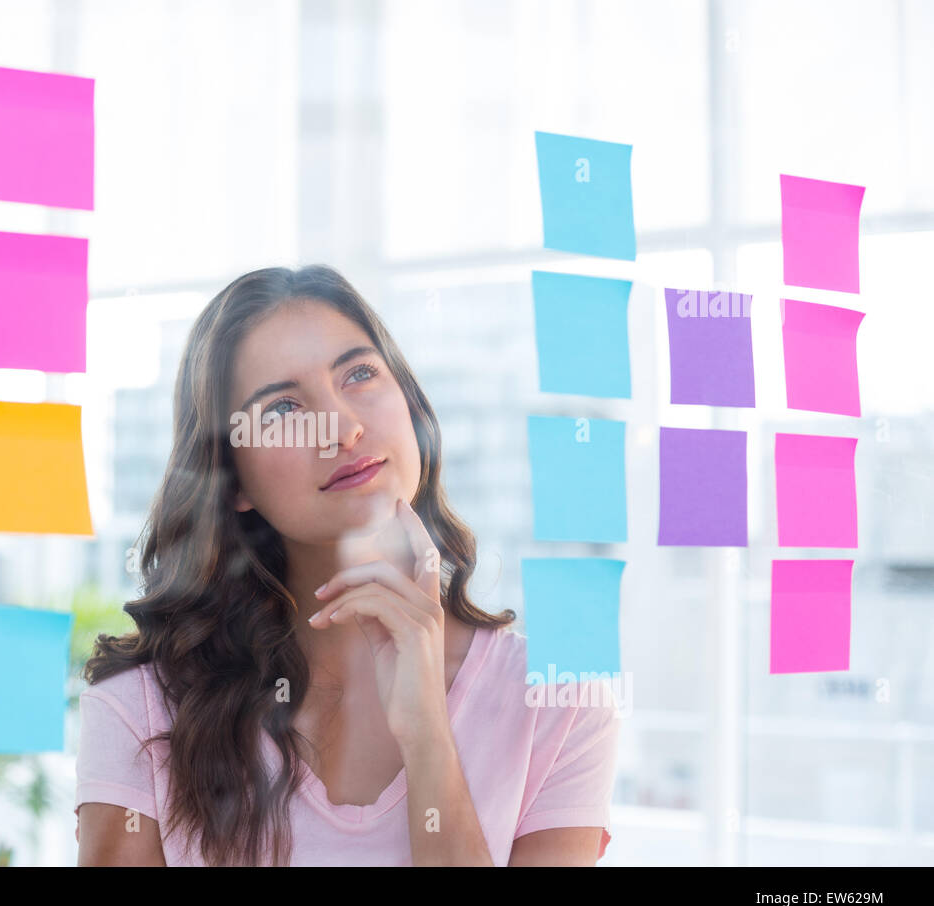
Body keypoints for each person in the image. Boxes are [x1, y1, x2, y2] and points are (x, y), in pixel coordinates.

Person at [74, 265, 619, 866]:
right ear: (233, 480)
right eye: (282, 410)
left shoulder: (560, 701)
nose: (343, 427)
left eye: (359, 373)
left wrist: (427, 735)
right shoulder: (140, 709)